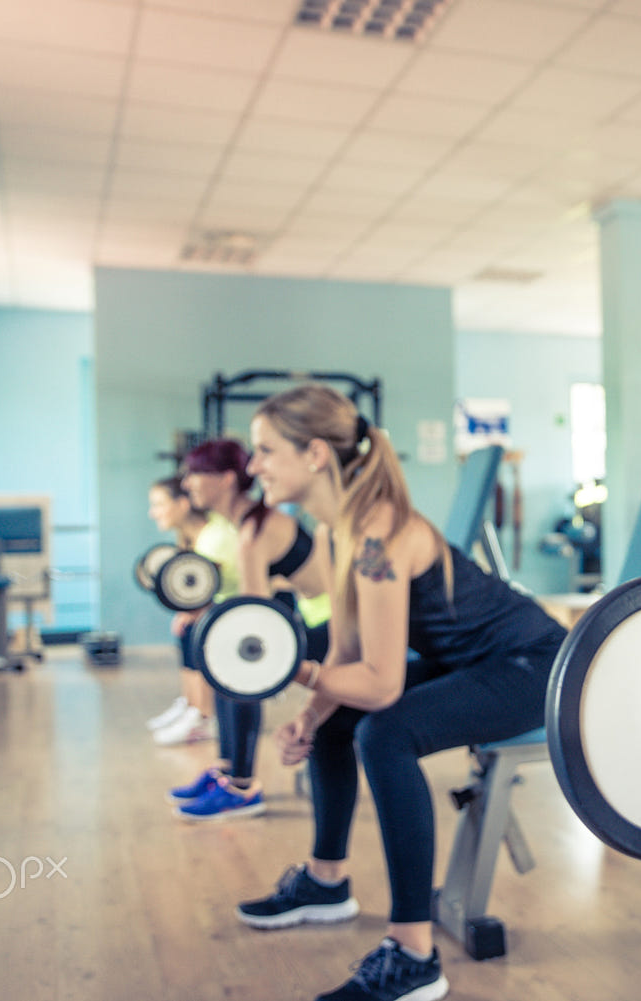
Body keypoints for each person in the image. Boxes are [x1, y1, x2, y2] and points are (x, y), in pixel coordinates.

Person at [238, 384, 565, 1001]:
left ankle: (413, 954)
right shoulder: (340, 529)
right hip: (472, 662)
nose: (253, 466)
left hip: (535, 666)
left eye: (264, 450)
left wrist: (294, 669)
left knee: (384, 731)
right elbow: (345, 653)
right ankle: (327, 880)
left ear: (313, 455)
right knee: (340, 719)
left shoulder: (376, 533)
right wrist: (311, 714)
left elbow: (382, 685)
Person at [164, 438, 333, 823]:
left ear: (225, 480)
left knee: (236, 670)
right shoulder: (240, 525)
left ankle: (241, 787)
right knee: (223, 660)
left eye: (195, 474)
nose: (187, 483)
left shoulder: (254, 532)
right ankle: (227, 769)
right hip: (311, 614)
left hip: (330, 625)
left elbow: (253, 620)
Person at [144, 476, 214, 737]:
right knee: (185, 629)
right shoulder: (185, 539)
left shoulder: (211, 537)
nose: (153, 513)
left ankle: (203, 715)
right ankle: (192, 705)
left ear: (183, 504)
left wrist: (194, 613)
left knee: (194, 630)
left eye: (159, 504)